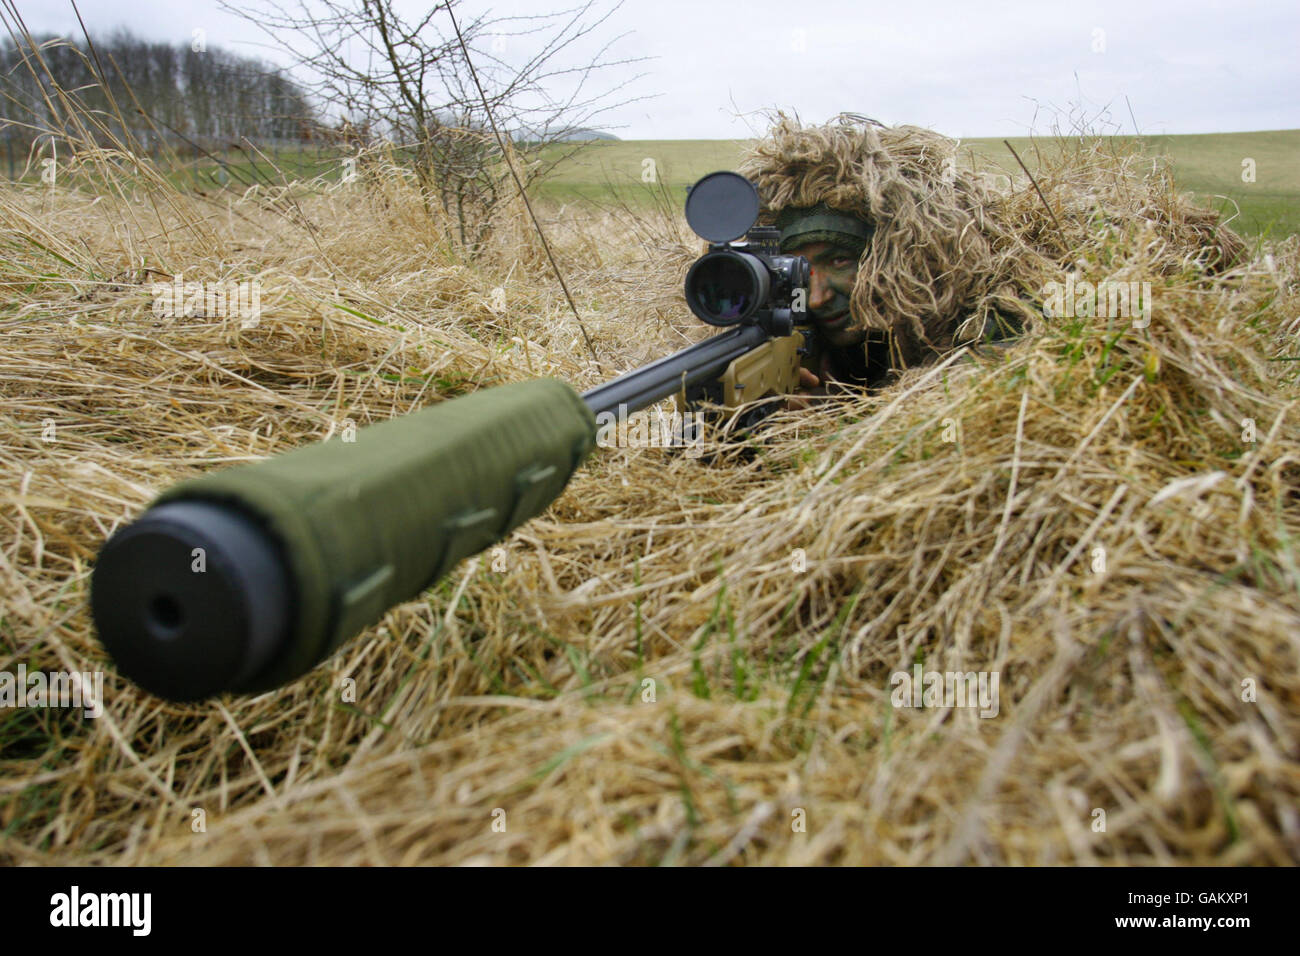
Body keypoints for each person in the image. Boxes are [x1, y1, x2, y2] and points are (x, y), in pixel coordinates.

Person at [737, 113, 1038, 405]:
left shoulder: (987, 315)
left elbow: (968, 402)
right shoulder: (796, 331)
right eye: (800, 271)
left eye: (840, 260)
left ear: (902, 258)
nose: (816, 298)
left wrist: (836, 418)